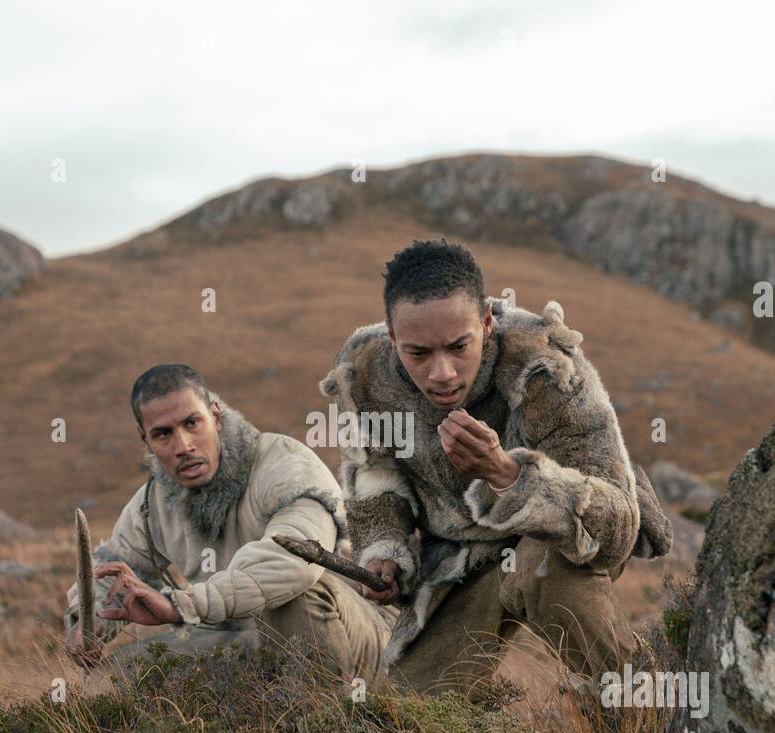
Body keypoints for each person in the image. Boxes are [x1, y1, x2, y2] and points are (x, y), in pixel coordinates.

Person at [320, 238, 673, 695]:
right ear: (392, 338)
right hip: (459, 560)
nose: (442, 373)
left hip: (557, 543)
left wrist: (509, 476)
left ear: (486, 322)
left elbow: (617, 526)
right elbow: (374, 480)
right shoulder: (368, 378)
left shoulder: (545, 369)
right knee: (416, 717)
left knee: (544, 573)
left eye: (457, 346)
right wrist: (383, 553)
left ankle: (653, 714)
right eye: (419, 354)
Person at [64, 364, 394, 683]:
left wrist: (182, 606)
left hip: (357, 637)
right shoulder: (152, 504)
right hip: (240, 639)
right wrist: (86, 624)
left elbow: (297, 561)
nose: (183, 446)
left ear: (216, 417)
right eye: (163, 434)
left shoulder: (286, 465)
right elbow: (109, 571)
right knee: (107, 681)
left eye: (192, 423)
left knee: (296, 596)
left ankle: (328, 729)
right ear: (145, 440)